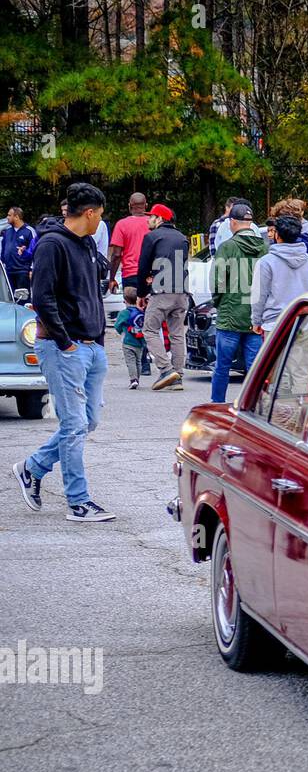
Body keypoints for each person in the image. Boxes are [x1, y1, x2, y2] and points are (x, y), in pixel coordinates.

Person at [12, 182, 114, 522]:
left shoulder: (85, 243)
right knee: (73, 425)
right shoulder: (51, 244)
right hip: (63, 347)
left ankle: (32, 467)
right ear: (89, 212)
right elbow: (42, 298)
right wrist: (65, 341)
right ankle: (78, 502)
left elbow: (102, 275)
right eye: (100, 214)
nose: (101, 221)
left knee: (89, 421)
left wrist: (95, 340)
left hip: (91, 346)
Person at [210, 202, 266, 403]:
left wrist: (219, 303)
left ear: (233, 222)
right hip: (256, 316)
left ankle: (217, 406)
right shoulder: (265, 248)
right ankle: (253, 408)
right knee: (254, 368)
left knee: (222, 367)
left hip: (230, 314)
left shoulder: (227, 248)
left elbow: (217, 282)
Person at [137, 203, 190, 390]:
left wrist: (141, 292)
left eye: (151, 216)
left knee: (149, 329)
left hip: (161, 291)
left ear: (159, 219)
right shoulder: (183, 238)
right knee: (177, 334)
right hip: (182, 292)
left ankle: (166, 370)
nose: (148, 219)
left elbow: (142, 267)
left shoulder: (152, 237)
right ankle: (178, 375)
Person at [251, 213, 308, 335]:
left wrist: (256, 321)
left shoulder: (266, 262)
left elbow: (258, 296)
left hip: (275, 325)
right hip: (305, 323)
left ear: (277, 235)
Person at [107, 192, 150, 293]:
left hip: (130, 275)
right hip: (150, 275)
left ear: (129, 206)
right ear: (146, 206)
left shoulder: (122, 225)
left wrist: (112, 279)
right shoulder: (153, 224)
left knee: (132, 307)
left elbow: (116, 255)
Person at [113, 285, 148, 389]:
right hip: (140, 341)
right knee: (138, 361)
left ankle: (133, 380)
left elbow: (117, 325)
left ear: (125, 300)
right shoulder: (142, 312)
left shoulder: (124, 313)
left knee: (130, 361)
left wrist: (121, 331)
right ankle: (137, 378)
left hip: (128, 341)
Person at [2, 206, 37, 294]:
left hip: (23, 271)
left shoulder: (29, 231)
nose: (7, 217)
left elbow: (36, 251)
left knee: (23, 299)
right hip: (9, 271)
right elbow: (3, 249)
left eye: (9, 215)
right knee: (11, 299)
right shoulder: (7, 231)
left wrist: (32, 270)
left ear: (17, 217)